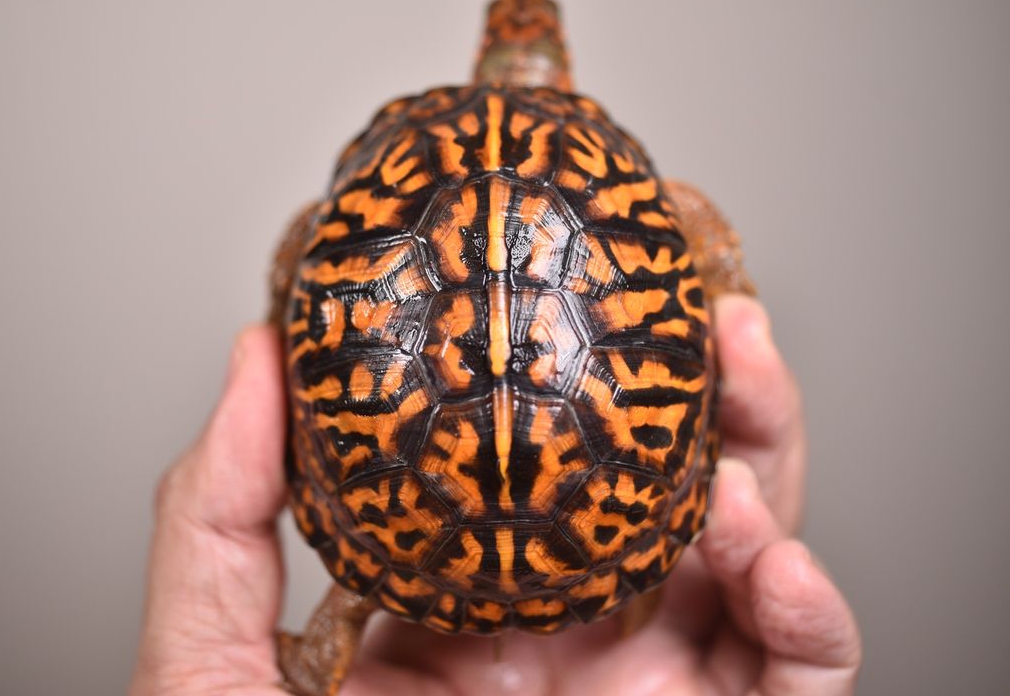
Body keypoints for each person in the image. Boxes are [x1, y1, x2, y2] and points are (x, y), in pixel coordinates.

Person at [130, 295, 861, 695]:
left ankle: (345, 621)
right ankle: (637, 584)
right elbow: (699, 234)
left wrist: (284, 279)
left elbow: (302, 247)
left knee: (364, 583)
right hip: (608, 536)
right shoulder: (613, 162)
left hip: (402, 531)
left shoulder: (395, 156)